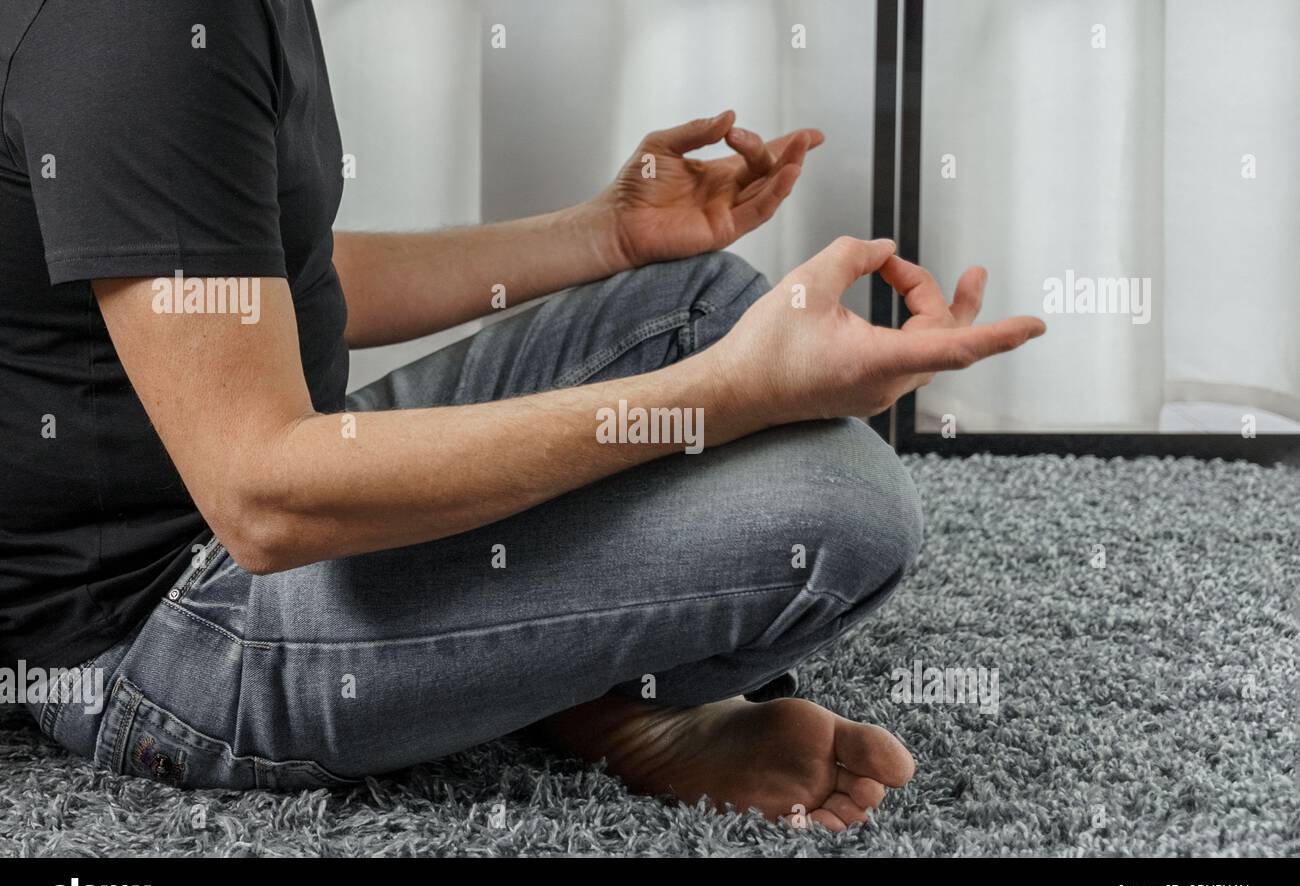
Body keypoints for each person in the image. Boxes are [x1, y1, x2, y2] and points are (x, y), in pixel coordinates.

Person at [0, 1, 1043, 830]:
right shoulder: (137, 25)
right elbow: (264, 499)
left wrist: (605, 236)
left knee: (696, 303)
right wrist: (730, 397)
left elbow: (269, 278)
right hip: (154, 636)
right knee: (840, 512)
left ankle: (560, 681)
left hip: (254, 501)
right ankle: (585, 694)